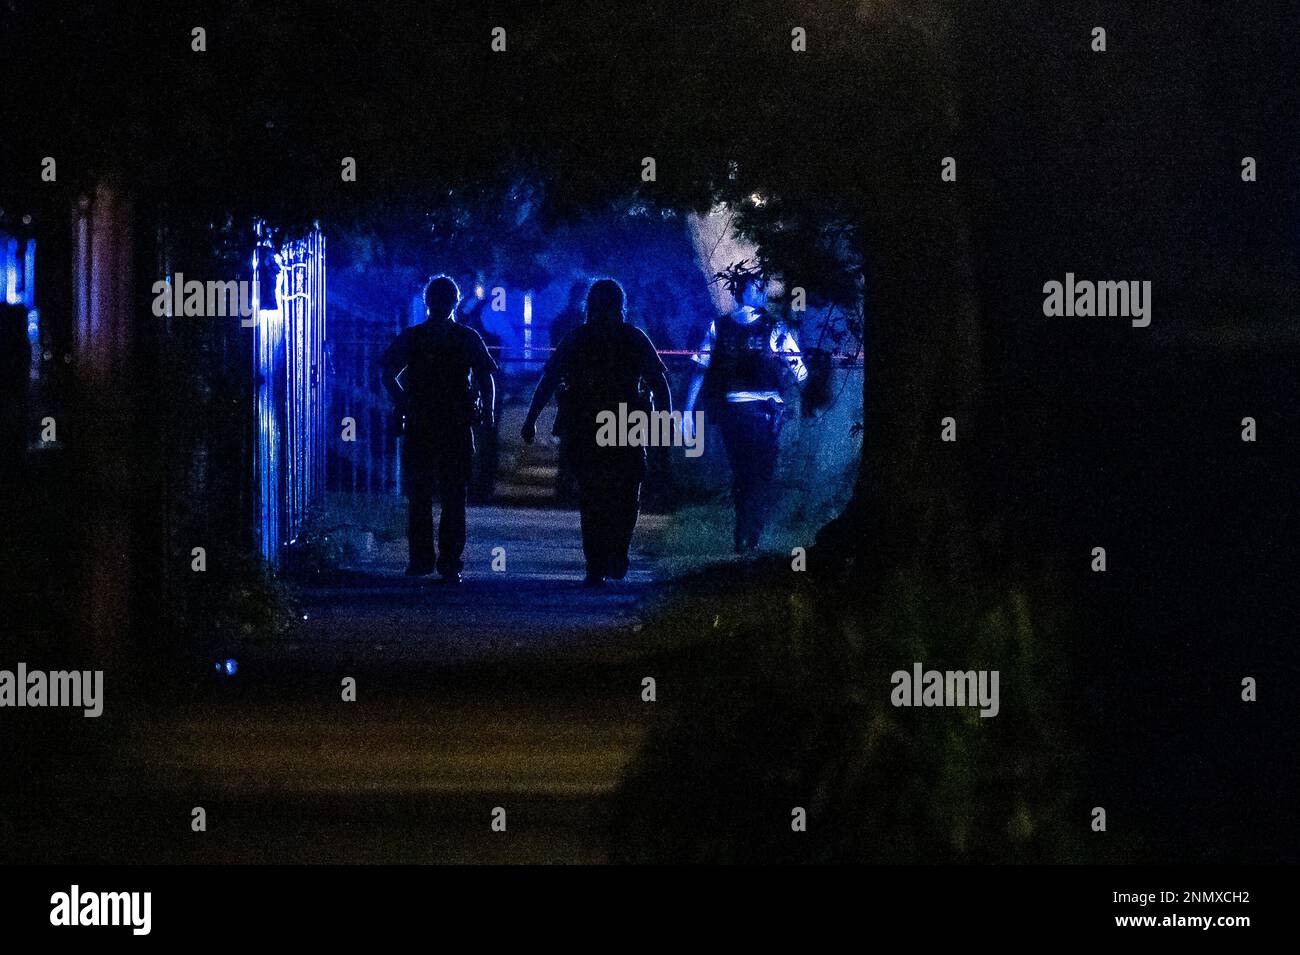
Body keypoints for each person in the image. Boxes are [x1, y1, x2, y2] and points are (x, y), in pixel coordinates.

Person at [521, 279, 670, 586]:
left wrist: (531, 418)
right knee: (624, 493)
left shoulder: (579, 338)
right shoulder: (631, 337)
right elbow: (658, 383)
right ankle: (612, 554)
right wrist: (664, 424)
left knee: (595, 496)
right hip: (623, 423)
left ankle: (599, 562)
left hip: (588, 424)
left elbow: (549, 380)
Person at [682, 262, 807, 553]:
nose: (762, 293)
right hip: (755, 412)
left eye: (763, 288)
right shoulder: (764, 327)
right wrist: (687, 411)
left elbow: (701, 369)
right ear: (741, 291)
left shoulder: (731, 326)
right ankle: (749, 535)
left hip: (739, 413)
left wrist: (688, 411)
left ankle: (745, 534)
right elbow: (798, 368)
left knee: (744, 473)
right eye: (756, 287)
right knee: (759, 473)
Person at [381, 275, 497, 583]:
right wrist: (488, 414)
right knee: (453, 497)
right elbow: (486, 378)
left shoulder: (415, 336)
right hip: (455, 425)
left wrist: (404, 402)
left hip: (423, 423)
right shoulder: (465, 337)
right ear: (455, 301)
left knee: (421, 496)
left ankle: (422, 560)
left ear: (427, 302)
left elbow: (387, 373)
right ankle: (448, 562)